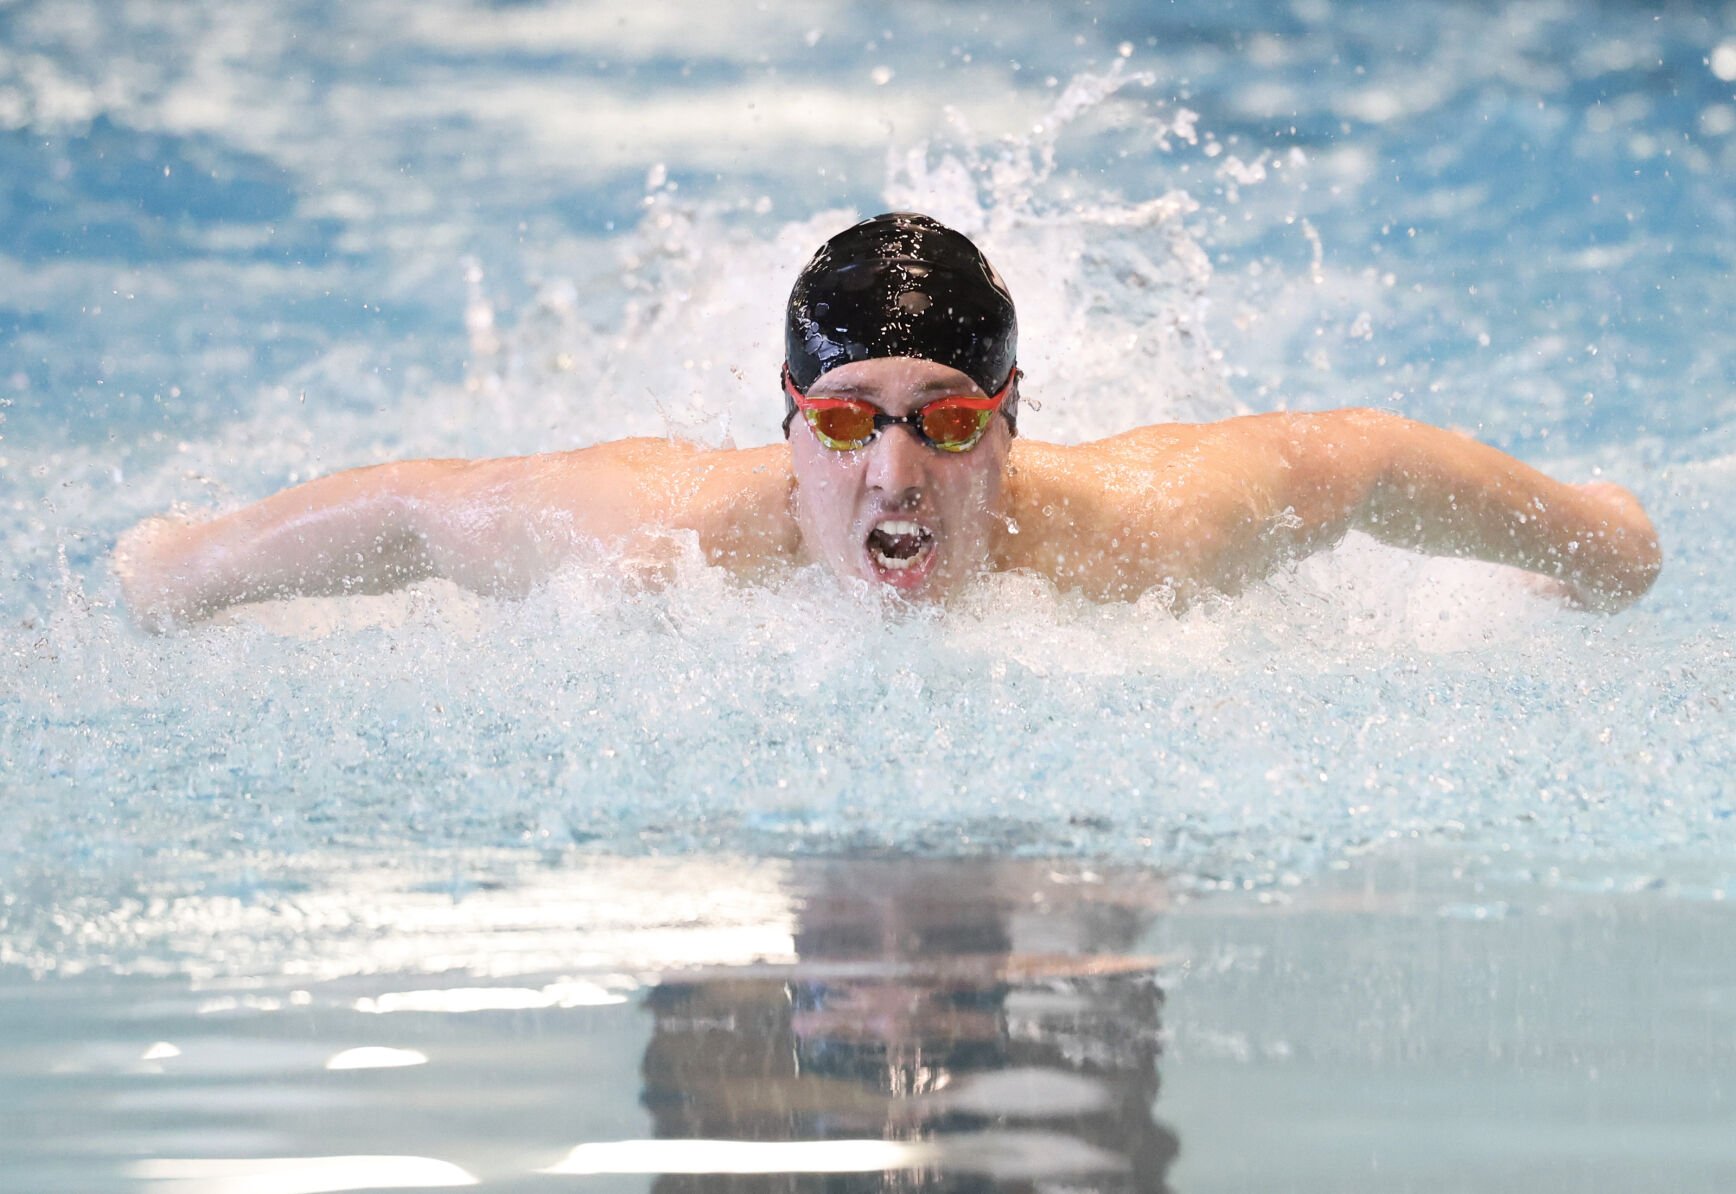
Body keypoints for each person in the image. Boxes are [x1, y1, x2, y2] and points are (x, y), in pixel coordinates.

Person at [115, 212, 1661, 631]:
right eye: (850, 426)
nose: (899, 472)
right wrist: (179, 568)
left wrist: (1601, 543)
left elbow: (1368, 459)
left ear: (1012, 433)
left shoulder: (1138, 535)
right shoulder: (666, 542)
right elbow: (423, 507)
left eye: (948, 421)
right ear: (786, 428)